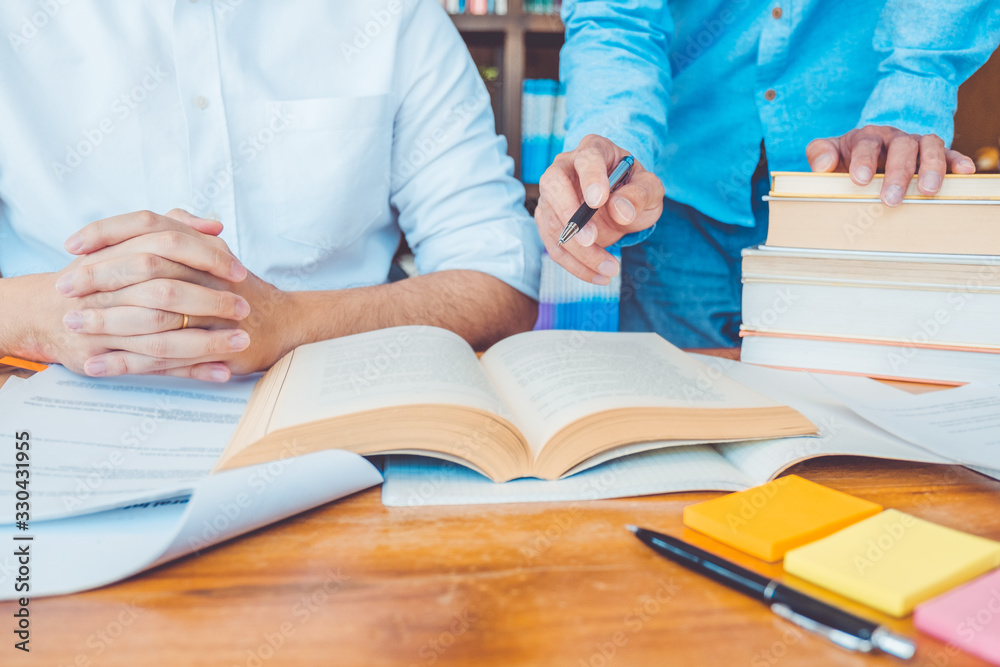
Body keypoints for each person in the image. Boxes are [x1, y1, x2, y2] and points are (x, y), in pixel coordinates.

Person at [0, 0, 542, 382]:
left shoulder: (395, 13)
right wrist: (41, 316)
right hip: (48, 416)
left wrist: (289, 322)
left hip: (343, 407)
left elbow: (499, 281)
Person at [536, 0, 1000, 348]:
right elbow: (620, 18)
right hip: (681, 199)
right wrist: (615, 147)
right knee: (672, 435)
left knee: (854, 447)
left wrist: (911, 98)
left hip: (855, 191)